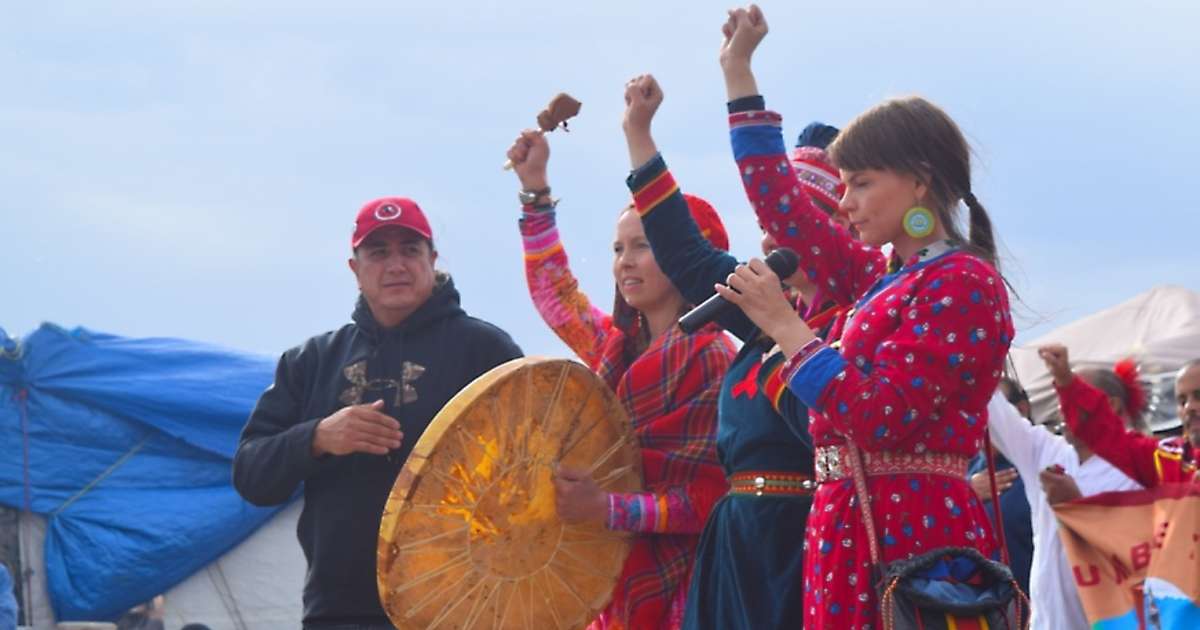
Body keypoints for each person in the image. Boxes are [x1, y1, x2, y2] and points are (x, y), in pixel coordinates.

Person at [714, 5, 1015, 627]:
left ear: (920, 183)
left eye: (861, 183)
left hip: (914, 535)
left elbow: (881, 416)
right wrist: (738, 72)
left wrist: (788, 330)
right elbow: (782, 204)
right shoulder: (882, 277)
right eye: (843, 186)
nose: (844, 203)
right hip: (844, 528)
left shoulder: (964, 282)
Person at [619, 73, 846, 629]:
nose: (772, 239)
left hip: (799, 537)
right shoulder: (761, 301)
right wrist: (638, 134)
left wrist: (787, 326)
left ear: (835, 231)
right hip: (734, 540)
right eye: (771, 224)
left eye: (795, 221)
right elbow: (687, 254)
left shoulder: (853, 317)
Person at [232, 197, 522, 629]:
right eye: (379, 252)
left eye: (410, 249)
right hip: (341, 611)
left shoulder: (486, 352)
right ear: (355, 268)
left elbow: (533, 465)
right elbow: (250, 476)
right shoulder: (311, 362)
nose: (396, 265)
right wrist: (317, 437)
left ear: (433, 259)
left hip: (465, 607)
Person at [505, 127, 736, 630]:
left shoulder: (714, 358)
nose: (624, 262)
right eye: (617, 248)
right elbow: (554, 294)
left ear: (685, 253)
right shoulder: (614, 349)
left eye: (643, 246)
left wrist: (606, 507)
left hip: (689, 587)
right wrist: (535, 190)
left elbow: (707, 501)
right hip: (610, 581)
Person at [987, 366, 1143, 630]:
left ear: (1111, 406)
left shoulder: (1140, 471)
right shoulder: (1047, 451)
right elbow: (996, 411)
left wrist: (1077, 508)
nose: (1062, 408)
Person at [1041, 347, 1200, 487]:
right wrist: (1066, 381)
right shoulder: (1168, 458)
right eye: (1182, 401)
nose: (1189, 407)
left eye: (1198, 396)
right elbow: (1106, 437)